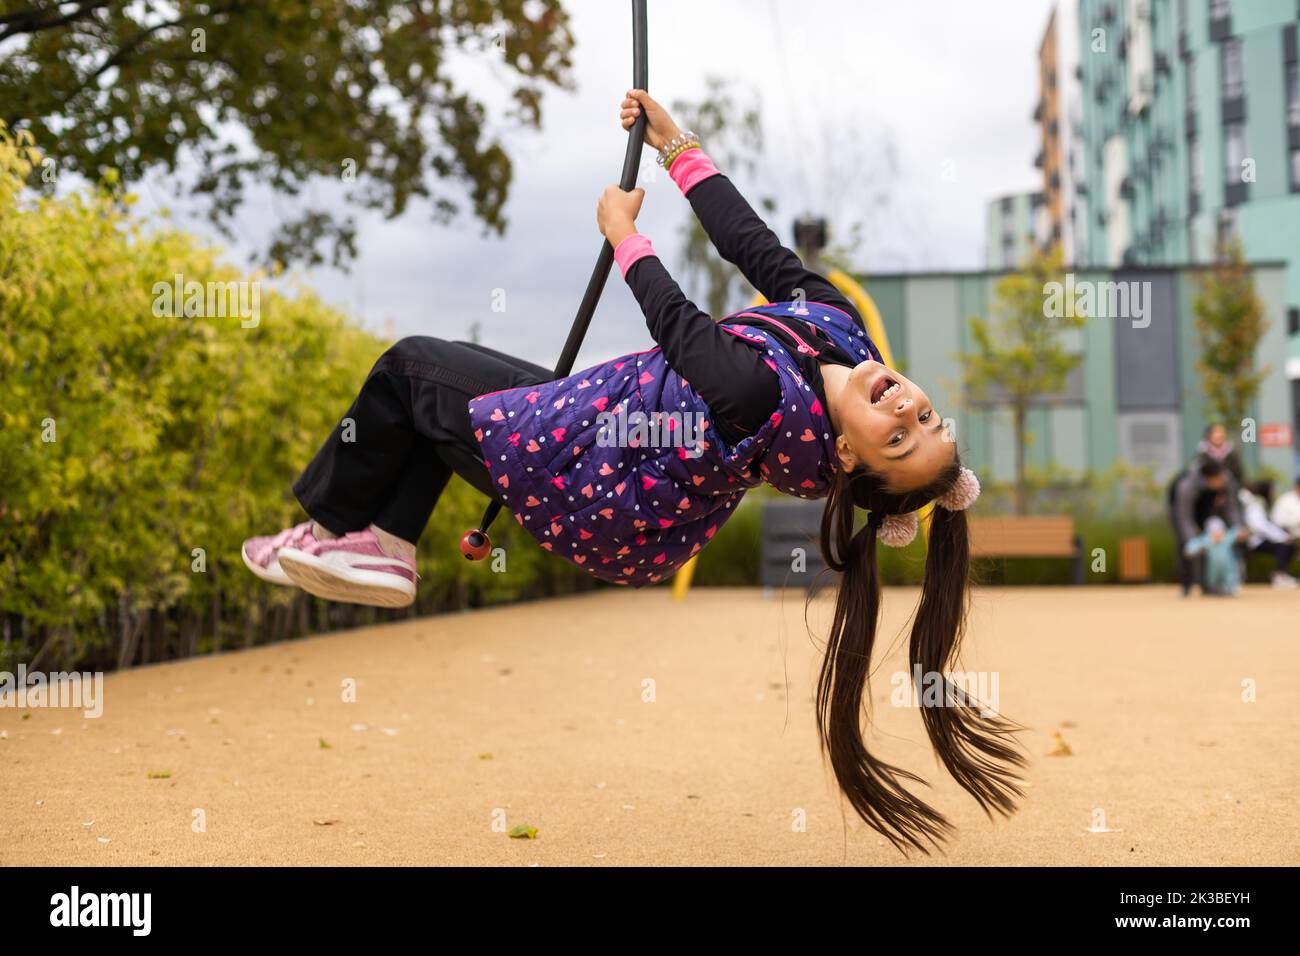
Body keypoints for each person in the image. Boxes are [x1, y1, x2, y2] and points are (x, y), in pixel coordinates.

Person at [239, 88, 1025, 854]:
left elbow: (681, 328)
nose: (905, 411)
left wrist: (623, 233)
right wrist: (677, 145)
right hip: (595, 424)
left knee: (409, 370)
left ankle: (339, 530)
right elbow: (753, 246)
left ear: (849, 458)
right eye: (923, 418)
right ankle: (383, 544)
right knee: (432, 403)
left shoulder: (762, 400)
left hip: (588, 474)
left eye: (898, 440)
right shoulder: (840, 333)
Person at [1168, 459, 1244, 596]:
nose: (1222, 481)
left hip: (1206, 506)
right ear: (1207, 479)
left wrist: (1238, 528)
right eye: (1218, 479)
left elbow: (1233, 506)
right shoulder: (1187, 485)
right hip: (1180, 508)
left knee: (1212, 542)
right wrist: (1192, 539)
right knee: (1186, 545)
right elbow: (1184, 516)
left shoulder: (1227, 480)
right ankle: (1186, 585)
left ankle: (1209, 585)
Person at [1240, 481, 1298, 588]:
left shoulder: (1259, 503)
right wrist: (1282, 537)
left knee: (1288, 545)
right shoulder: (1254, 504)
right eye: (1272, 490)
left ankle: (1282, 574)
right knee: (1284, 545)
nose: (1273, 493)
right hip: (1254, 541)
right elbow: (1261, 526)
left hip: (1262, 539)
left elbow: (1268, 525)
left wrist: (1283, 537)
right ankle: (1279, 575)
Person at [1182, 516, 1243, 595]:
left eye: (1219, 530)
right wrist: (1190, 550)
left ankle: (1230, 588)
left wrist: (1241, 532)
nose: (1217, 533)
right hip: (1212, 568)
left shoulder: (1227, 538)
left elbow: (1237, 533)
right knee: (1211, 578)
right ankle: (1214, 588)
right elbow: (1196, 544)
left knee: (1230, 575)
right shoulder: (1207, 540)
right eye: (1214, 531)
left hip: (1228, 566)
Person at [1271, 474, 1300, 539]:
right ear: (1298, 487)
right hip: (1290, 538)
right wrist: (1296, 523)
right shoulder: (1285, 500)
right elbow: (1277, 521)